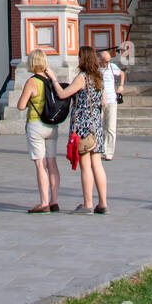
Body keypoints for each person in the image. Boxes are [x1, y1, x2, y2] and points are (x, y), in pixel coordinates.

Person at [51, 46, 108, 214]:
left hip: (83, 126)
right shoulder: (99, 78)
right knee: (97, 164)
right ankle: (103, 203)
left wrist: (54, 80)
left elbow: (63, 94)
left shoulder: (82, 78)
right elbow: (103, 102)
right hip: (96, 125)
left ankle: (88, 204)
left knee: (85, 165)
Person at [16, 49, 62, 213]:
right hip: (52, 125)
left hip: (36, 125)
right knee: (52, 163)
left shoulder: (32, 81)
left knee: (40, 164)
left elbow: (21, 105)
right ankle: (54, 200)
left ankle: (44, 203)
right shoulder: (51, 80)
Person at [99, 50, 123, 161]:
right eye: (105, 61)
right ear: (101, 60)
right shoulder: (96, 68)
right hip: (99, 100)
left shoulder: (112, 67)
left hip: (111, 99)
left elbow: (122, 73)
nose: (107, 63)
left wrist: (121, 86)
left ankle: (108, 152)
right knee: (98, 125)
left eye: (109, 61)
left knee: (110, 127)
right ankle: (99, 149)